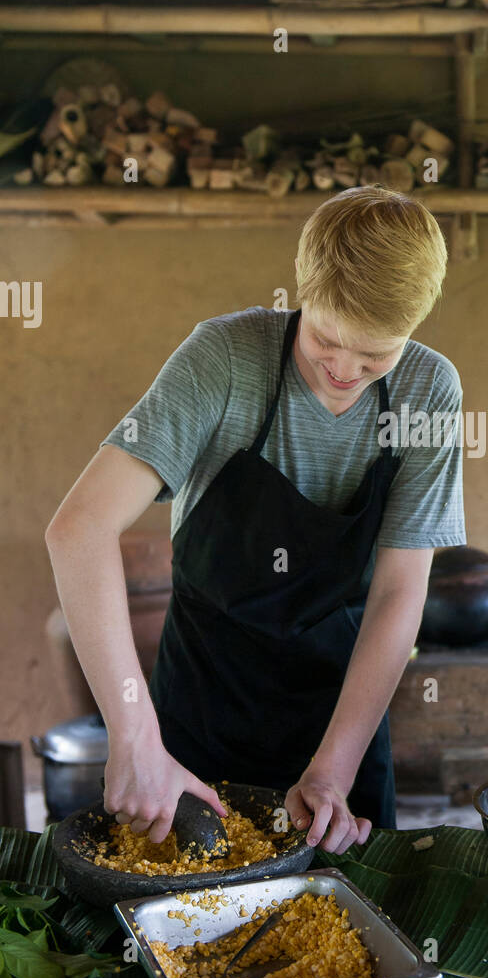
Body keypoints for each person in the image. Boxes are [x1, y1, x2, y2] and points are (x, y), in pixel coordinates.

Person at [45, 185, 466, 853]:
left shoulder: (429, 391)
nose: (342, 370)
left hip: (341, 715)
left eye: (374, 356)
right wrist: (133, 737)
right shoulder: (224, 358)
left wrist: (334, 769)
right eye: (327, 339)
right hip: (199, 709)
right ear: (302, 289)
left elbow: (398, 592)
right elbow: (79, 529)